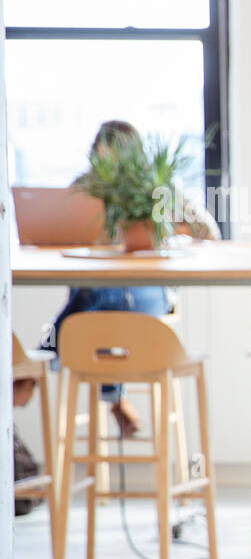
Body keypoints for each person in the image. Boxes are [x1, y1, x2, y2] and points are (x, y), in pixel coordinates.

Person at [40, 120, 217, 437]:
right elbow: (58, 228)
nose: (111, 165)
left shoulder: (156, 187)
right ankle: (112, 396)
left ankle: (46, 353)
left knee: (89, 295)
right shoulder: (88, 189)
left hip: (147, 299)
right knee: (96, 293)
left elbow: (208, 231)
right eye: (103, 156)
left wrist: (165, 229)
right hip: (99, 305)